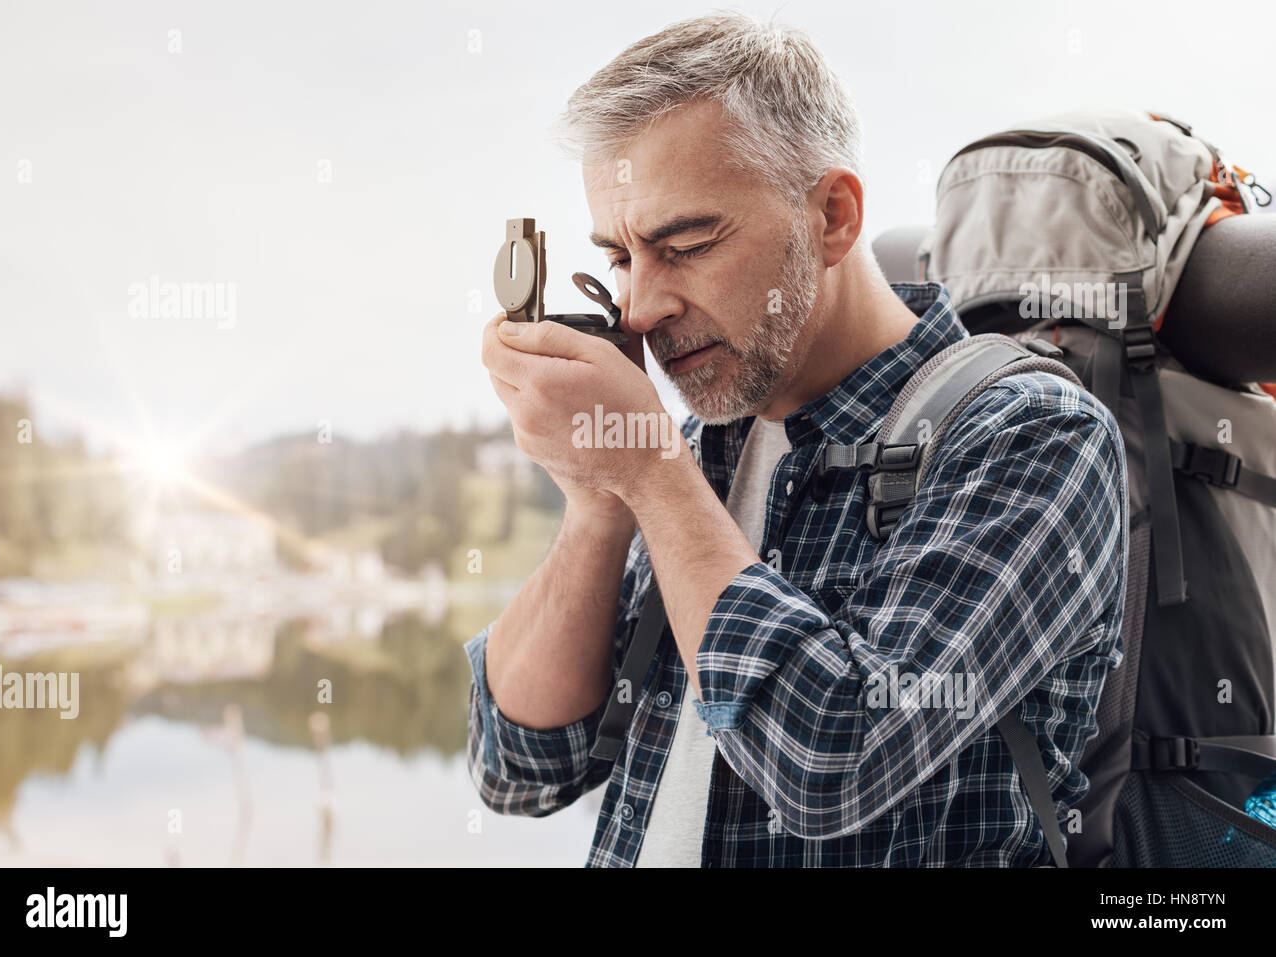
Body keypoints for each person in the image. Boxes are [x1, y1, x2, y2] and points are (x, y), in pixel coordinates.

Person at [469, 10, 1128, 867]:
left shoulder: (1033, 437)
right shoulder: (703, 441)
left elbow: (833, 763)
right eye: (622, 257)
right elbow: (519, 769)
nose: (639, 307)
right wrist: (603, 501)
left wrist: (654, 477)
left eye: (686, 244)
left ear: (833, 216)